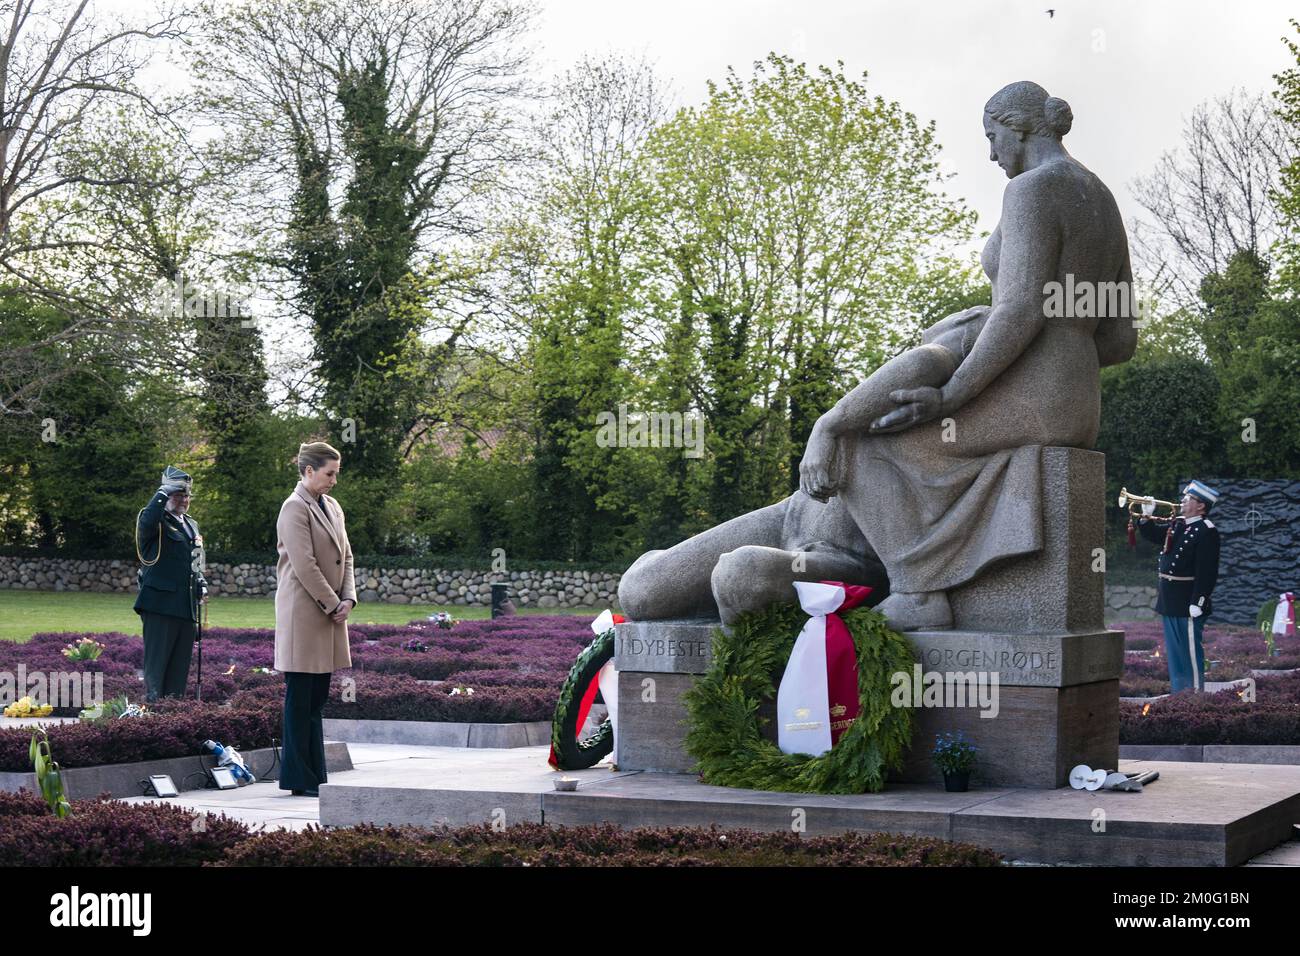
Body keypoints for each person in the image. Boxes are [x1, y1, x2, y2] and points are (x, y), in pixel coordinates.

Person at [619, 80, 1137, 629]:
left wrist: (951, 396)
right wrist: (1065, 351)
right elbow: (1120, 338)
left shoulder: (1032, 189)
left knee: (867, 440)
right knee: (884, 432)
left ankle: (917, 591)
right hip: (1076, 398)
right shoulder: (1098, 197)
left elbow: (1015, 312)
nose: (991, 153)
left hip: (1032, 393)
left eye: (992, 137)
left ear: (1018, 127)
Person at [274, 441, 356, 797]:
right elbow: (304, 565)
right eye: (329, 473)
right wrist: (332, 602)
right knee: (300, 700)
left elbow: (347, 556)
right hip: (305, 617)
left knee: (317, 700)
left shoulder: (333, 506)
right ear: (308, 471)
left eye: (336, 473)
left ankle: (314, 775)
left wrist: (349, 597)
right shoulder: (294, 508)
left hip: (331, 614)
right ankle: (298, 778)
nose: (334, 480)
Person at [1135, 480, 1221, 692]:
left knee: (1190, 653)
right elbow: (1154, 535)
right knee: (1175, 654)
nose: (1182, 500)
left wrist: (1198, 601)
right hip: (1170, 600)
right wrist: (1146, 517)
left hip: (1187, 602)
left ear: (1201, 505)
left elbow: (1207, 571)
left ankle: (1194, 694)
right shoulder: (1179, 523)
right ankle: (1179, 694)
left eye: (1188, 498)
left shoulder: (1206, 531)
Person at [134, 466, 208, 702]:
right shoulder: (155, 519)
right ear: (166, 494)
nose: (184, 499)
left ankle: (172, 712)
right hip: (160, 605)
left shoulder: (190, 524)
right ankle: (153, 711)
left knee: (178, 670)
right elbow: (147, 521)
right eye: (178, 494)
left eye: (186, 495)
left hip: (186, 606)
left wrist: (201, 582)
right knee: (157, 669)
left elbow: (196, 560)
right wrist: (163, 493)